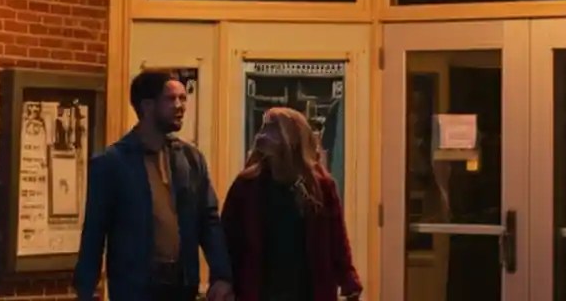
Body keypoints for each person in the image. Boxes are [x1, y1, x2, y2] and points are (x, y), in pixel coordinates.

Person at [74, 71, 234, 301]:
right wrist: (86, 289)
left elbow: (208, 221)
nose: (180, 106)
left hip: (182, 285)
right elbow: (95, 231)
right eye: (171, 99)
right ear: (147, 106)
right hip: (136, 288)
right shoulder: (112, 163)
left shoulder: (190, 158)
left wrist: (222, 275)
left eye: (183, 98)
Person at [221, 107, 363, 301]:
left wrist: (349, 280)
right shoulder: (246, 185)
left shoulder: (321, 186)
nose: (262, 133)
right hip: (260, 291)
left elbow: (337, 240)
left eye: (272, 128)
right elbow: (227, 239)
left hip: (308, 291)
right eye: (264, 126)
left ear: (293, 137)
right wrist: (223, 281)